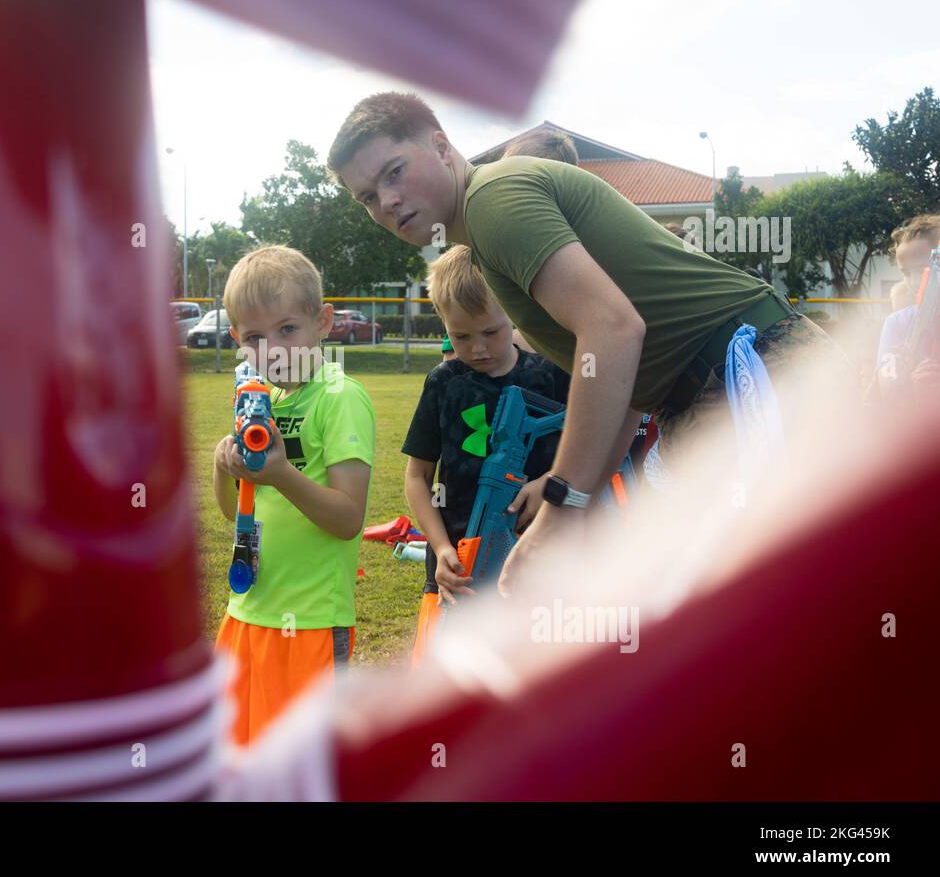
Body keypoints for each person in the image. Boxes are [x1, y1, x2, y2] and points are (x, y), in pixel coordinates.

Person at [328, 91, 850, 590]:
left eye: (393, 172)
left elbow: (614, 329)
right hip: (715, 386)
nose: (387, 202)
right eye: (367, 197)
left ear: (440, 146)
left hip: (752, 375)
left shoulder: (492, 202)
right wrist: (575, 497)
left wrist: (560, 505)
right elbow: (626, 380)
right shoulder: (485, 235)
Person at [211, 245, 376, 746]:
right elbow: (237, 514)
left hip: (309, 622)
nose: (273, 349)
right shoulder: (262, 400)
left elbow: (348, 518)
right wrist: (225, 469)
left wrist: (280, 473)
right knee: (244, 756)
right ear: (238, 340)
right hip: (248, 610)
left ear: (322, 322)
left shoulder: (338, 397)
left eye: (287, 329)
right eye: (256, 337)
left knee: (304, 765)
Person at [403, 246, 570, 664]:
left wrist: (546, 485)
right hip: (457, 572)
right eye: (460, 336)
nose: (478, 348)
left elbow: (590, 457)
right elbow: (417, 477)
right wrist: (441, 549)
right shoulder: (442, 383)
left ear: (513, 311)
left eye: (491, 332)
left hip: (538, 564)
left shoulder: (551, 375)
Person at [875, 214, 940, 403]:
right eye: (906, 272)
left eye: (923, 268)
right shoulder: (898, 323)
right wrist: (905, 377)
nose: (914, 280)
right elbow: (888, 388)